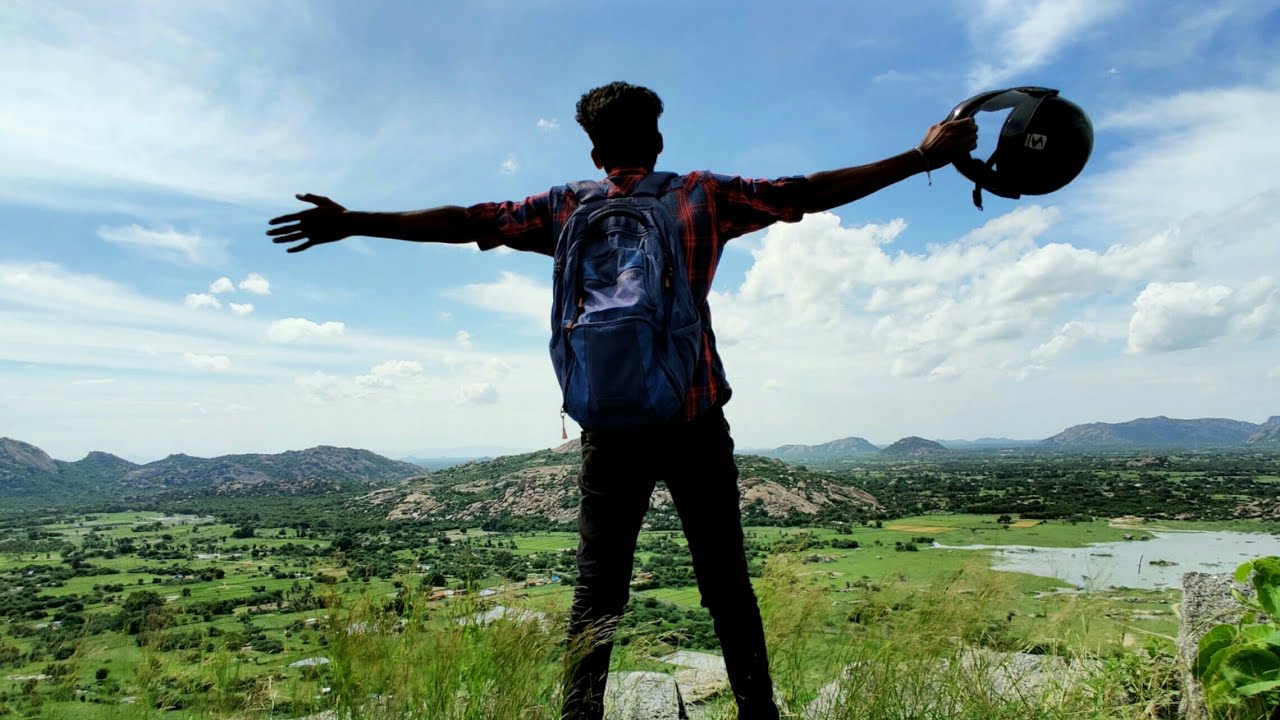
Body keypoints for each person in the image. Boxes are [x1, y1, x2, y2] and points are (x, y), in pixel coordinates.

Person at [268, 81, 977, 720]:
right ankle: (758, 711)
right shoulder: (701, 194)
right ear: (658, 142)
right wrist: (921, 157)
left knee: (597, 588)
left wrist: (355, 220)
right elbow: (808, 190)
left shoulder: (565, 207)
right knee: (725, 582)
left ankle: (580, 714)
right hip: (693, 414)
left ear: (595, 151)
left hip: (608, 426)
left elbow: (468, 219)